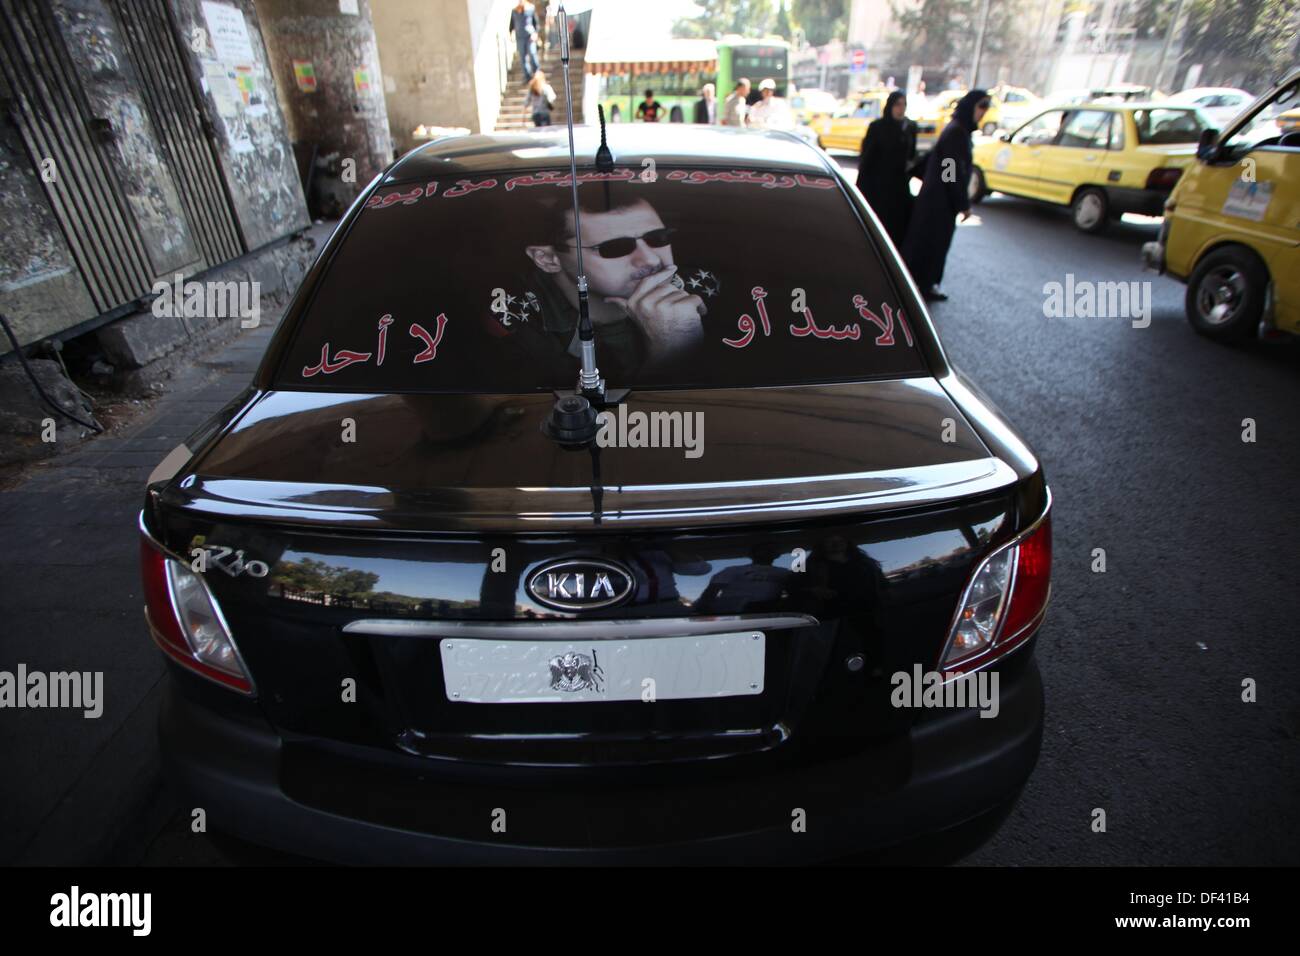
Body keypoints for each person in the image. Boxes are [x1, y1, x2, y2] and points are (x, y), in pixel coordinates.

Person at [492, 195, 720, 381]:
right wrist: (671, 350)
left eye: (657, 238)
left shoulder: (704, 289)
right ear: (547, 260)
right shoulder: (514, 318)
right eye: (614, 247)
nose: (650, 260)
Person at [900, 88, 989, 302]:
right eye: (981, 107)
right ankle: (922, 285)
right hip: (939, 203)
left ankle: (921, 283)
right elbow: (950, 170)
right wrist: (961, 202)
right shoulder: (956, 132)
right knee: (931, 244)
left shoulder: (957, 130)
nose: (983, 113)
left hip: (938, 199)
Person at [856, 90, 916, 245]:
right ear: (890, 106)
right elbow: (867, 160)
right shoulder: (878, 127)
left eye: (904, 105)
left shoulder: (909, 127)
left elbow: (911, 157)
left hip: (900, 188)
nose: (901, 109)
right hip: (879, 188)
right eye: (897, 105)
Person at [509, 2, 539, 84]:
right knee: (523, 57)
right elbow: (512, 25)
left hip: (529, 36)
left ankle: (537, 73)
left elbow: (535, 23)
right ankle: (527, 76)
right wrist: (511, 34)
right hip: (520, 37)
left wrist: (535, 33)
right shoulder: (514, 11)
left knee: (532, 53)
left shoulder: (530, 9)